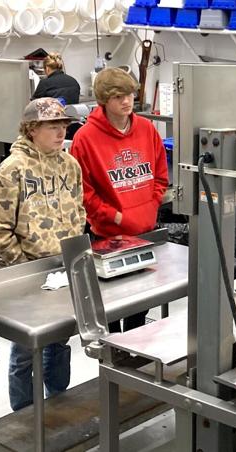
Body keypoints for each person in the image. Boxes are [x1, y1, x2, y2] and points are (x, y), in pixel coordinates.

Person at [0, 98, 85, 411]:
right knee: (26, 348)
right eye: (53, 126)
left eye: (64, 125)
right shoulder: (12, 170)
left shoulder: (70, 164)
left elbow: (79, 212)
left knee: (59, 340)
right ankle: (24, 415)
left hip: (64, 269)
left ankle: (59, 404)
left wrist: (74, 260)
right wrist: (25, 272)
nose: (61, 132)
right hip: (29, 272)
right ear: (31, 129)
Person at [70, 67, 169, 333]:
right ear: (104, 100)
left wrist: (151, 204)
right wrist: (114, 216)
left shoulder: (147, 130)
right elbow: (84, 191)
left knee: (141, 302)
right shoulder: (85, 138)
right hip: (107, 237)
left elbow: (160, 174)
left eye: (129, 95)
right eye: (118, 97)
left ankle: (134, 354)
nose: (126, 101)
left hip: (146, 232)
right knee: (111, 307)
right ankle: (113, 361)